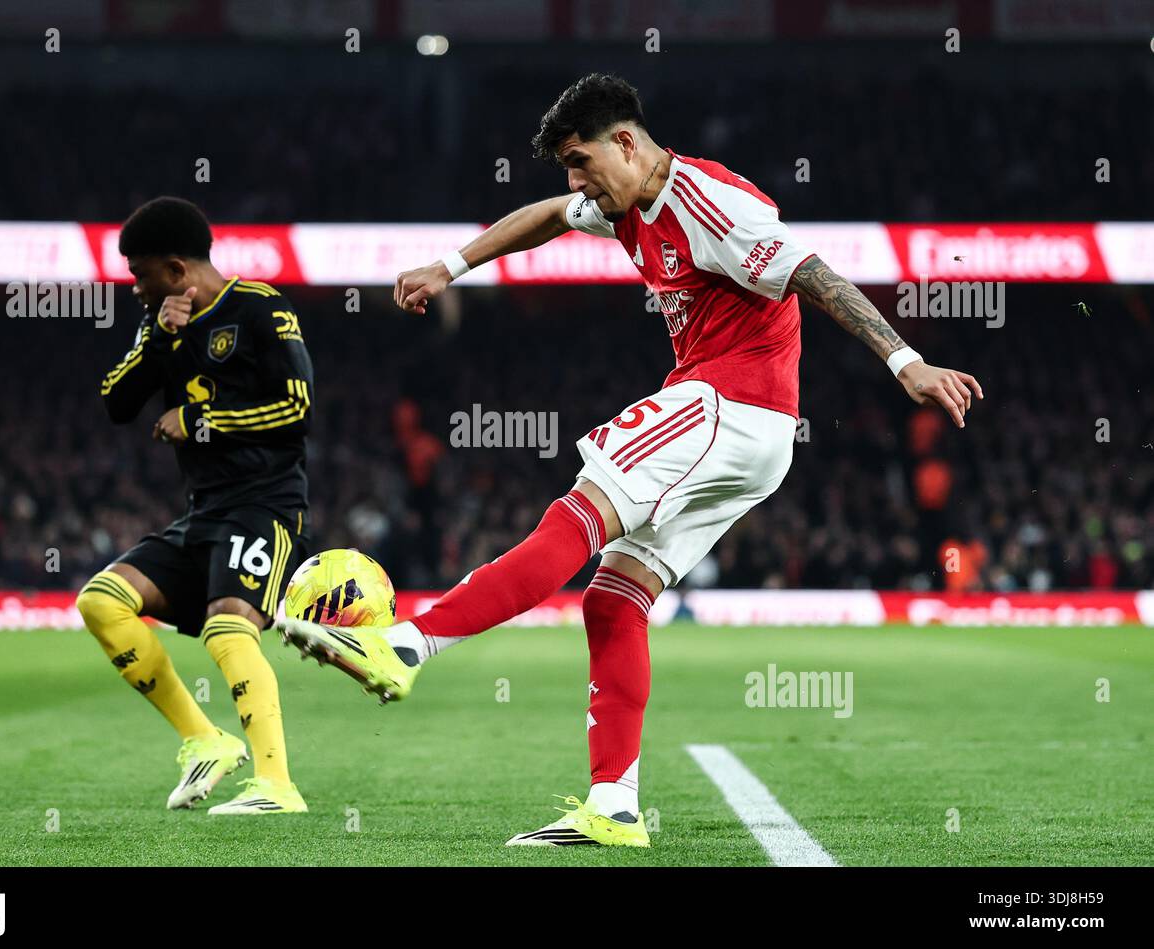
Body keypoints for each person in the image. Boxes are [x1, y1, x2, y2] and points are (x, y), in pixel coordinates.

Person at [281, 74, 983, 846]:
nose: (576, 184)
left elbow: (815, 274)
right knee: (614, 598)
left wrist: (905, 361)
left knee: (578, 511)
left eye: (581, 162)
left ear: (626, 142)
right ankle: (614, 808)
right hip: (752, 434)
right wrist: (452, 264)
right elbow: (547, 216)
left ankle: (407, 646)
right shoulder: (621, 199)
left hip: (728, 404)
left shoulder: (710, 203)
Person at [77, 196, 314, 814]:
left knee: (228, 625)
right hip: (203, 510)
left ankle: (275, 787)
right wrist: (159, 342)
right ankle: (205, 739)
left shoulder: (262, 309)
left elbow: (297, 408)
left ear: (177, 269)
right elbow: (114, 402)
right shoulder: (162, 323)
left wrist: (202, 419)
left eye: (141, 274)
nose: (135, 288)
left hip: (264, 503)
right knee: (101, 601)